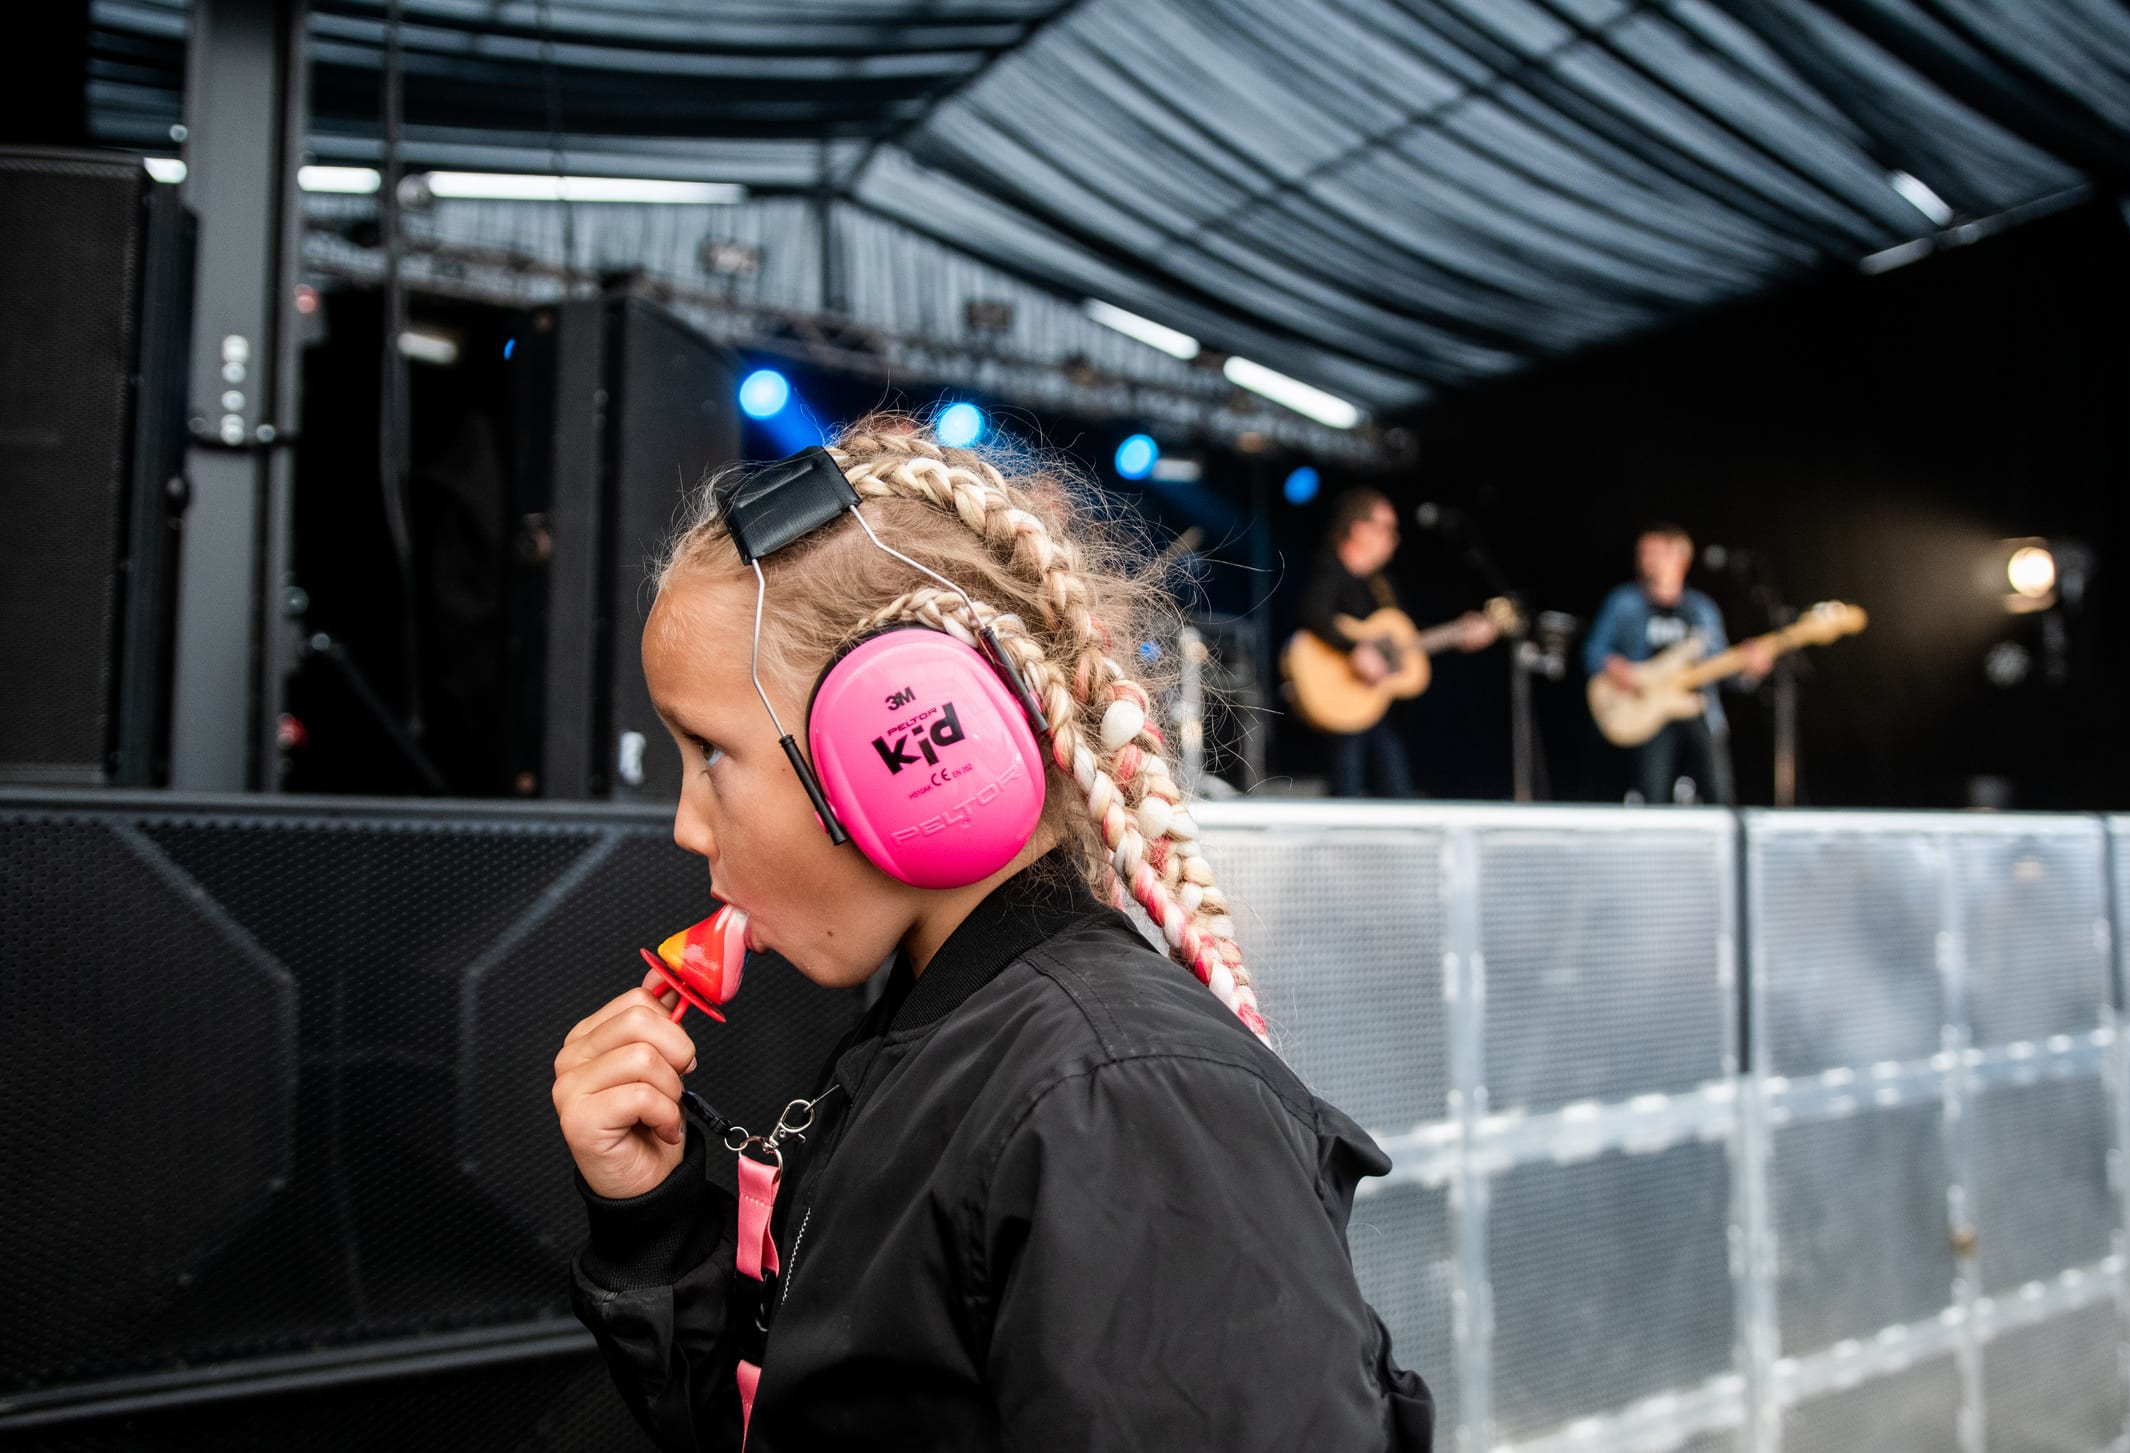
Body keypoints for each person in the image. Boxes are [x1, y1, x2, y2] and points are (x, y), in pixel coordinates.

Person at [551, 420, 1432, 1452]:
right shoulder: (943, 1041)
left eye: (711, 753)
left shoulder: (1122, 1102)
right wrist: (652, 1223)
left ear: (908, 747)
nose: (686, 823)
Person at [1298, 489, 1493, 797]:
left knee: (1397, 789)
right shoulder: (1328, 566)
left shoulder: (1382, 584)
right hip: (1340, 696)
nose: (1394, 538)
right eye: (1387, 528)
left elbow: (1407, 636)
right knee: (1347, 783)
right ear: (1359, 529)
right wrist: (1354, 650)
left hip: (1377, 705)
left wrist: (1459, 634)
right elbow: (1313, 614)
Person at [1583, 522, 1772, 805]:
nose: (1646, 560)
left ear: (1680, 558)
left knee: (1719, 795)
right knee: (1653, 795)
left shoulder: (1702, 609)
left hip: (1696, 707)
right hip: (1650, 710)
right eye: (1643, 553)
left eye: (1655, 553)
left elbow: (1721, 667)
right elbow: (1593, 651)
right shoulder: (1624, 603)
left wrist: (1749, 669)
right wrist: (1614, 667)